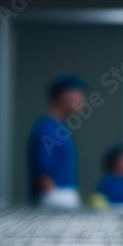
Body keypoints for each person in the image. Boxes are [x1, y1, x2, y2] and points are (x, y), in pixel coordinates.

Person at [27, 75, 87, 208]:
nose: (83, 102)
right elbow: (45, 176)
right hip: (57, 200)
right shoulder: (48, 128)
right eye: (79, 97)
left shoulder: (58, 127)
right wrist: (54, 200)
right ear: (64, 96)